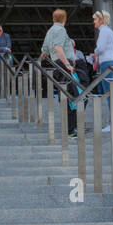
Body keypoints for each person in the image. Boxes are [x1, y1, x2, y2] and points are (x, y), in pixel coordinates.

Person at [41, 8, 79, 138]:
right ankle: (71, 129)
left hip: (56, 65)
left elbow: (44, 51)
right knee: (75, 96)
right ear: (64, 19)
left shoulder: (50, 31)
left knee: (67, 95)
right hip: (64, 64)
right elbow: (58, 47)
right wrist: (67, 64)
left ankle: (70, 127)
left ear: (53, 19)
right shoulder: (61, 30)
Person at [90, 11, 113, 131]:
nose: (94, 22)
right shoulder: (111, 32)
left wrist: (94, 53)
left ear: (101, 20)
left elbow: (100, 48)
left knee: (110, 94)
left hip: (107, 64)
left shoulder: (103, 31)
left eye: (95, 19)